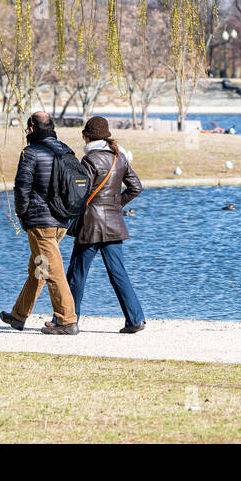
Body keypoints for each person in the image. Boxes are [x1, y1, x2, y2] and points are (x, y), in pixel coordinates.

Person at [57, 115, 147, 334]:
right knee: (118, 272)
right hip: (115, 223)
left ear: (87, 137)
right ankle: (135, 319)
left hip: (90, 224)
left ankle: (68, 321)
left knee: (77, 272)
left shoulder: (89, 160)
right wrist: (115, 204)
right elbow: (136, 188)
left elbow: (80, 192)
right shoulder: (120, 157)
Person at [0, 111, 79, 335]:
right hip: (62, 220)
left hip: (40, 221)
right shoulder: (65, 149)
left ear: (32, 128)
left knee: (52, 269)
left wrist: (21, 214)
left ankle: (67, 321)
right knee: (39, 267)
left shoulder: (30, 153)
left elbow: (22, 187)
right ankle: (18, 315)